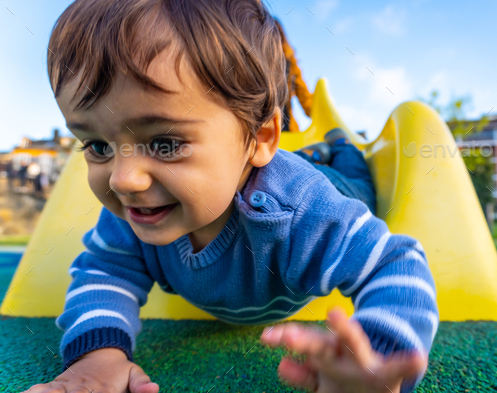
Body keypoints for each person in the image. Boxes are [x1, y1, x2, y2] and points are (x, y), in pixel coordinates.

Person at [25, 1, 438, 393]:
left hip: (335, 182)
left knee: (354, 176)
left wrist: (379, 359)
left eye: (166, 143)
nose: (123, 180)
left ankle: (337, 147)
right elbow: (104, 271)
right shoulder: (132, 214)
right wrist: (97, 356)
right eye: (98, 146)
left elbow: (396, 264)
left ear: (260, 138)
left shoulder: (301, 209)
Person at [274, 17, 314, 132]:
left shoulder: (290, 63)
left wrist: (320, 114)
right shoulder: (254, 61)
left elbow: (305, 97)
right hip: (261, 132)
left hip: (287, 129)